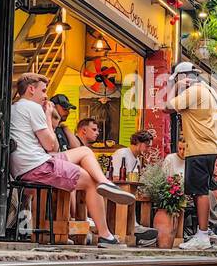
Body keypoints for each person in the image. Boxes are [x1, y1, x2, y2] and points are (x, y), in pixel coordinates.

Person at [8, 72, 134, 247]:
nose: (45, 96)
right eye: (43, 91)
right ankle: (105, 234)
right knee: (90, 182)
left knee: (84, 151)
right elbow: (51, 145)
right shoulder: (34, 108)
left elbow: (51, 148)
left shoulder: (15, 107)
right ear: (31, 89)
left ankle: (105, 182)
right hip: (36, 166)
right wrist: (47, 114)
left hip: (29, 164)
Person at [165, 62, 217, 251]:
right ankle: (204, 232)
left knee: (200, 192)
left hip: (199, 147)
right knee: (201, 190)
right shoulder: (209, 90)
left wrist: (175, 88)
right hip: (209, 147)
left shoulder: (193, 92)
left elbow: (167, 107)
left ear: (184, 78)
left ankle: (202, 235)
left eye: (178, 79)